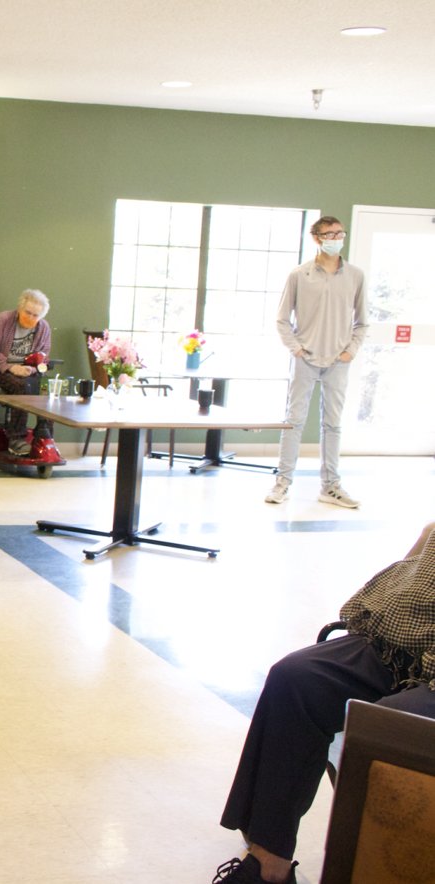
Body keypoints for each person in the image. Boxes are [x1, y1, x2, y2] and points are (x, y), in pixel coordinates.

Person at [212, 521, 435, 884]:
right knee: (297, 679)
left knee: (386, 729)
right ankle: (269, 864)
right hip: (413, 647)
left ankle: (367, 872)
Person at [265, 216, 368, 507]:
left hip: (339, 361)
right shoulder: (299, 274)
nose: (336, 237)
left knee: (333, 425)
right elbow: (282, 319)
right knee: (293, 422)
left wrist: (350, 351)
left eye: (340, 233)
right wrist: (296, 349)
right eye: (329, 233)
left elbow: (362, 322)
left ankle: (331, 486)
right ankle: (282, 483)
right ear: (317, 238)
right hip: (305, 359)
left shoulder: (356, 276)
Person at [0, 289, 53, 456]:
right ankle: (16, 438)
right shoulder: (4, 320)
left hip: (28, 370)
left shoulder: (43, 328)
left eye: (35, 315)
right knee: (22, 387)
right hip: (1, 369)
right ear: (20, 308)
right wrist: (12, 367)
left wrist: (33, 368)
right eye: (27, 313)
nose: (30, 318)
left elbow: (44, 356)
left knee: (47, 387)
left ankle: (45, 436)